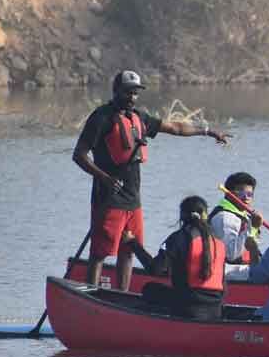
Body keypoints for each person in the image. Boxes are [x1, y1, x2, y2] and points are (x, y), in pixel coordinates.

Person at [73, 70, 230, 293]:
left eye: (135, 93)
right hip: (108, 198)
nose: (132, 97)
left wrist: (207, 131)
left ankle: (122, 296)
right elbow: (79, 155)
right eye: (128, 92)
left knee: (128, 250)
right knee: (99, 252)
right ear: (116, 91)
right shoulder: (101, 118)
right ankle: (91, 295)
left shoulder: (139, 118)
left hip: (133, 200)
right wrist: (104, 178)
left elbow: (175, 127)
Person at [122, 196, 226, 321]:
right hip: (215, 310)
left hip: (188, 308)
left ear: (182, 216)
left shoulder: (178, 237)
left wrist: (133, 243)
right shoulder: (218, 242)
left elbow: (155, 269)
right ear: (205, 215)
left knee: (150, 289)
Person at [209, 172, 263, 281]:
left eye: (250, 194)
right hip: (225, 270)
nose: (247, 198)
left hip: (241, 268)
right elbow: (231, 254)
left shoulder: (246, 216)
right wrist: (252, 227)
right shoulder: (224, 218)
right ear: (230, 194)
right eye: (242, 193)